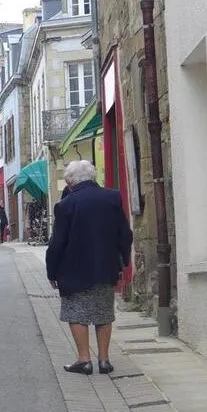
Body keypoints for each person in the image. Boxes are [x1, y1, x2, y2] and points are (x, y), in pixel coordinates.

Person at [46, 160, 133, 375]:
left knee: (76, 313)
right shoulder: (112, 197)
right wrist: (123, 261)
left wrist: (52, 271)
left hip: (73, 269)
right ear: (92, 177)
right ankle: (104, 360)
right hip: (105, 266)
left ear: (70, 182)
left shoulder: (66, 205)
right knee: (103, 312)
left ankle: (84, 360)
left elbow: (57, 243)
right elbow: (125, 234)